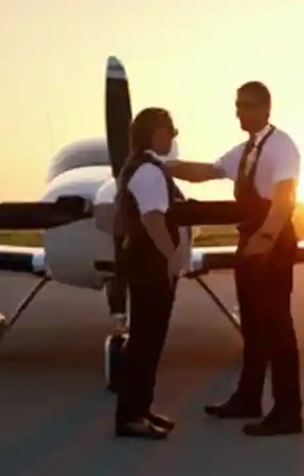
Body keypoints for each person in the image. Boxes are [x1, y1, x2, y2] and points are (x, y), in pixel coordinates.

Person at [165, 80, 303, 437]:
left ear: (266, 109)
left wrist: (265, 240)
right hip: (250, 242)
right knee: (254, 327)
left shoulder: (281, 147)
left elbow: (284, 200)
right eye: (238, 105)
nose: (239, 111)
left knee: (278, 329)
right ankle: (248, 398)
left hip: (271, 245)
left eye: (247, 105)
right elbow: (207, 171)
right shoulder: (244, 151)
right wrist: (163, 165)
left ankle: (288, 413)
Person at [111, 107, 188, 439]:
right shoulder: (149, 172)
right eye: (170, 129)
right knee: (146, 340)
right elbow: (153, 219)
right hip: (150, 262)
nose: (174, 135)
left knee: (148, 340)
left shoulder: (142, 168)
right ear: (156, 133)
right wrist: (172, 257)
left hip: (141, 260)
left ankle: (141, 409)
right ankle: (131, 417)